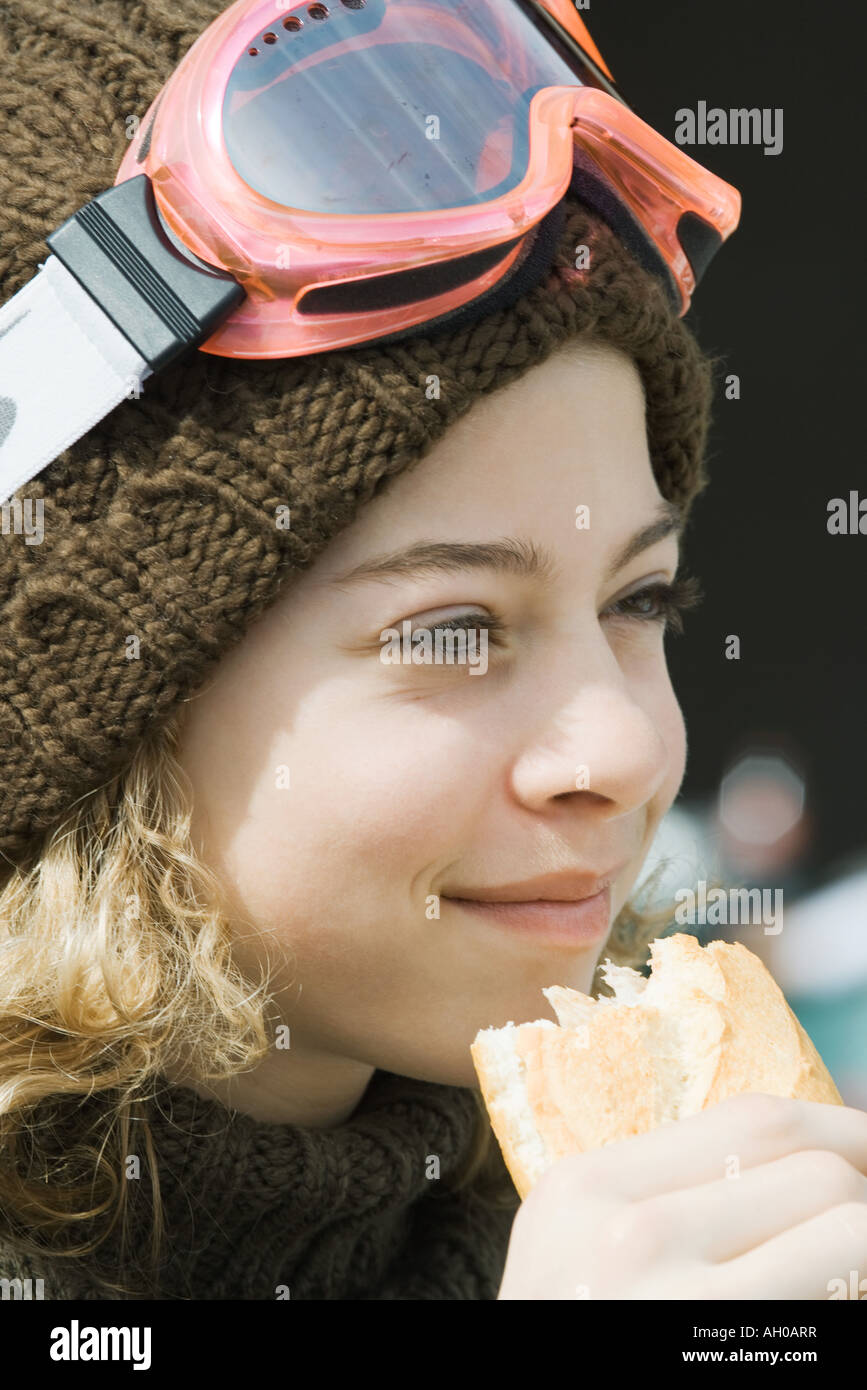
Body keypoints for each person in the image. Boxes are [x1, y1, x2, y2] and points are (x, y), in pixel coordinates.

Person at [2, 0, 865, 1303]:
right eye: (456, 628)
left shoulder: (637, 1204)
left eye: (640, 602)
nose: (627, 752)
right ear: (104, 713)